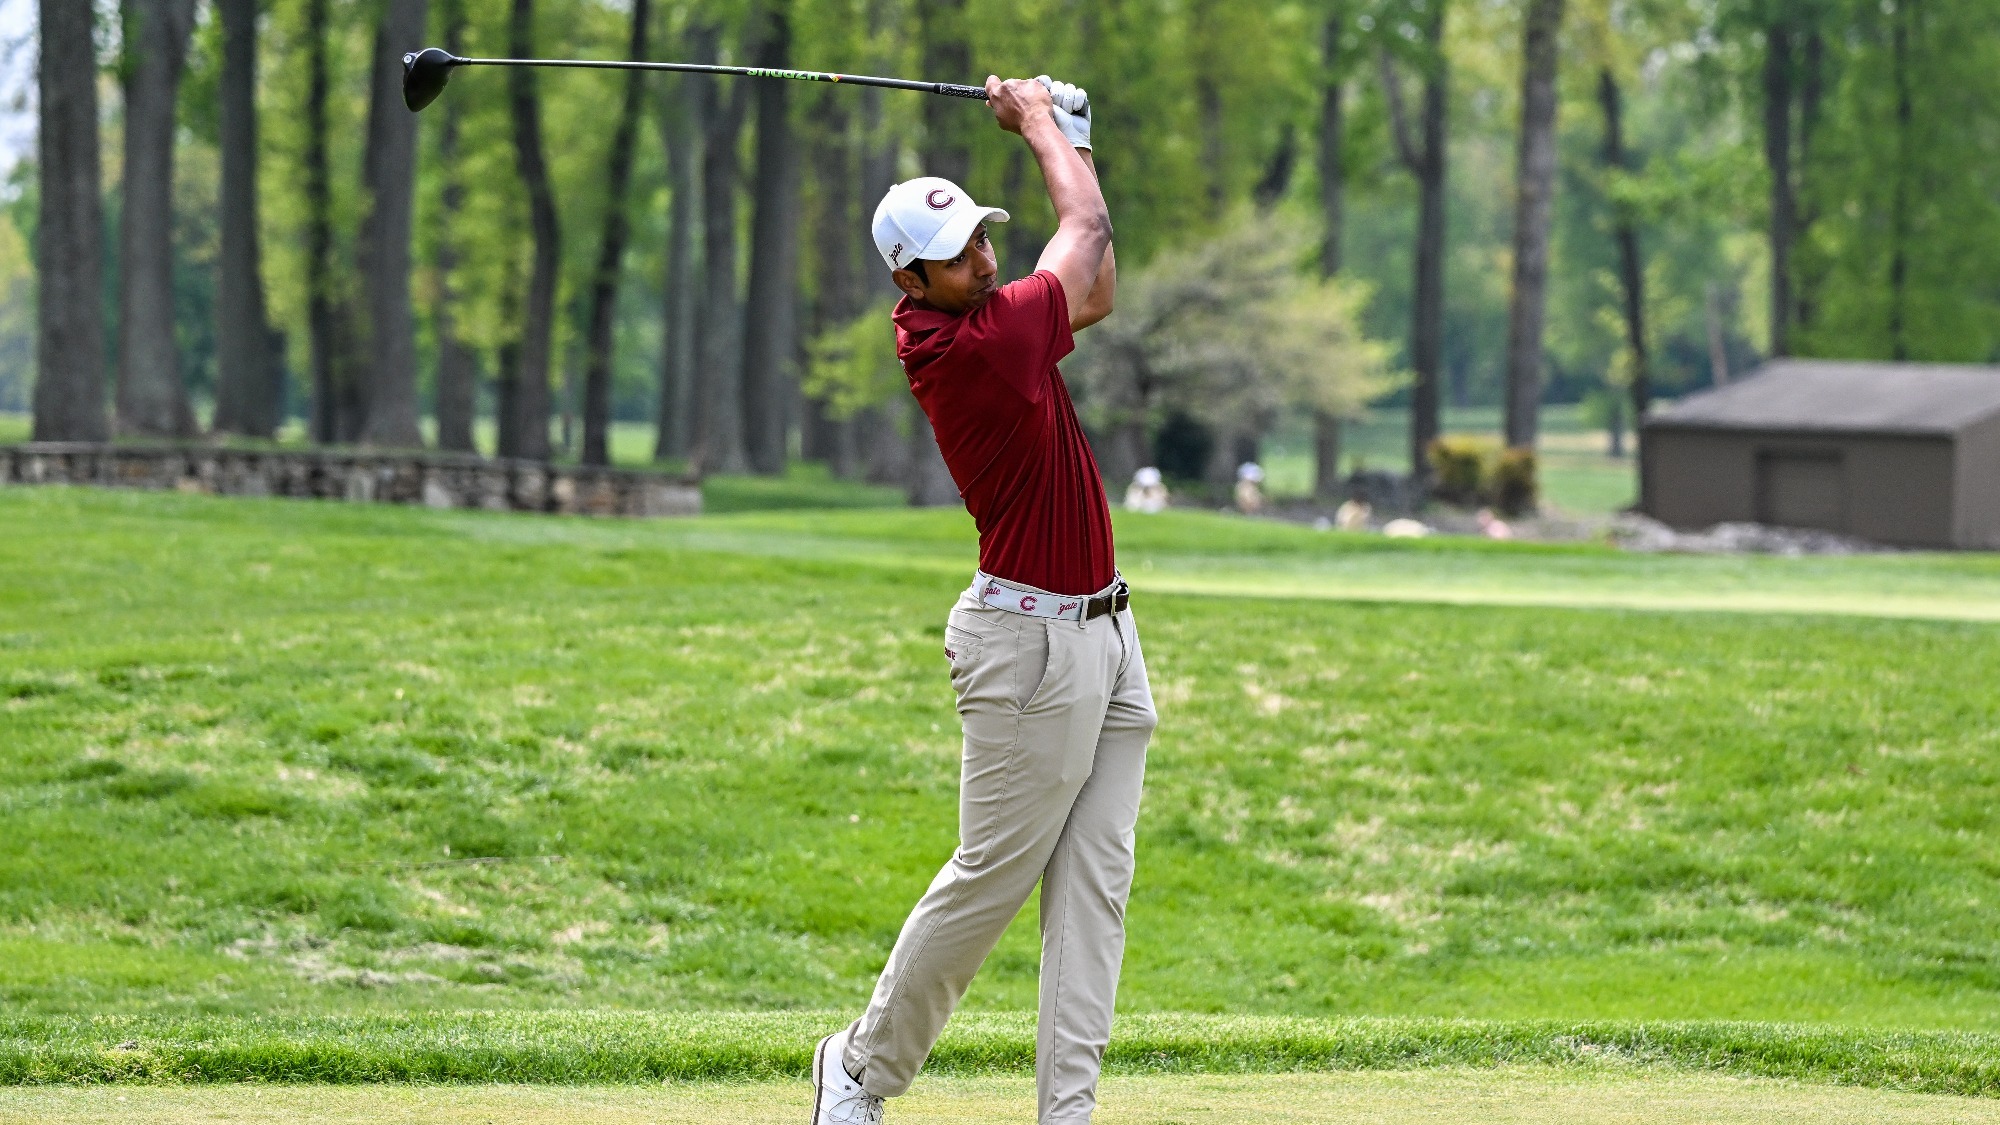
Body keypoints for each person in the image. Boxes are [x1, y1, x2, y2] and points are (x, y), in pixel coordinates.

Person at [810, 74, 1156, 1125]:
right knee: (988, 884)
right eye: (961, 254)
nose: (986, 259)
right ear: (912, 277)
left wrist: (1074, 130)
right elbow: (1084, 226)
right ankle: (859, 1071)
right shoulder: (971, 348)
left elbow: (1092, 283)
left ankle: (1069, 1113)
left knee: (1093, 894)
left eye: (985, 239)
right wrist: (1042, 126)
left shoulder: (993, 317)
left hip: (1105, 635)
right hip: (1026, 649)